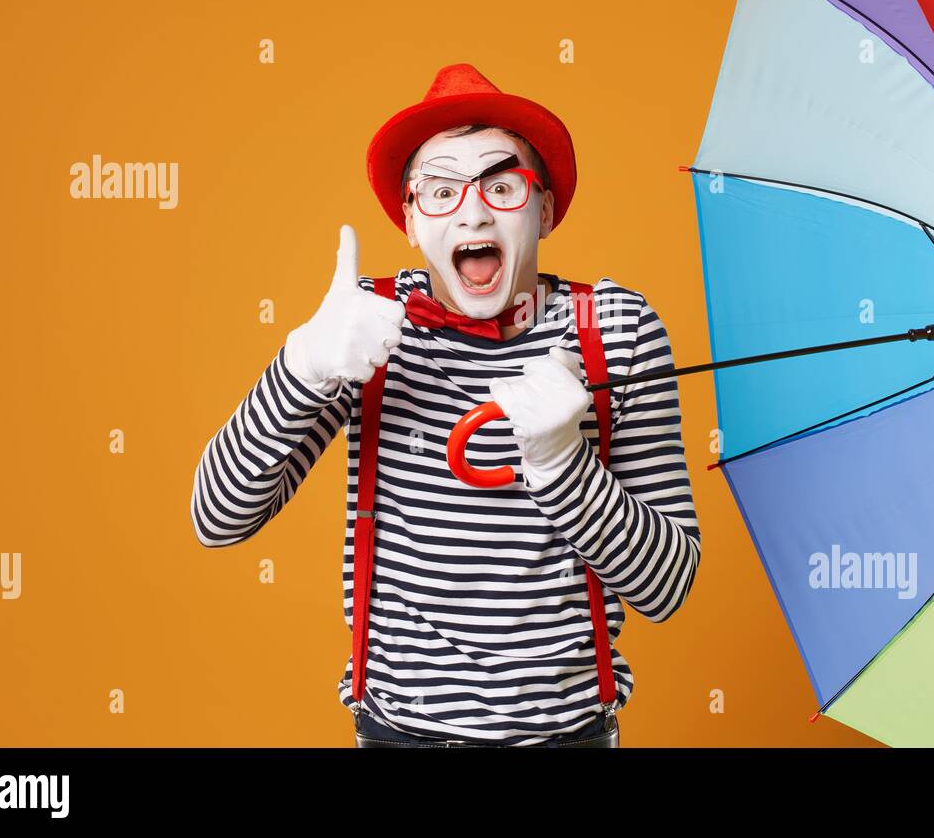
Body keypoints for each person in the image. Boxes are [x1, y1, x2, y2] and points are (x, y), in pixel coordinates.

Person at [190, 63, 701, 747]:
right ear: (409, 220)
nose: (473, 209)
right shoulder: (366, 328)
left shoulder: (614, 327)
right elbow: (216, 517)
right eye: (439, 189)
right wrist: (302, 364)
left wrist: (563, 466)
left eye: (502, 182)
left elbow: (667, 585)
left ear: (543, 208)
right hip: (398, 734)